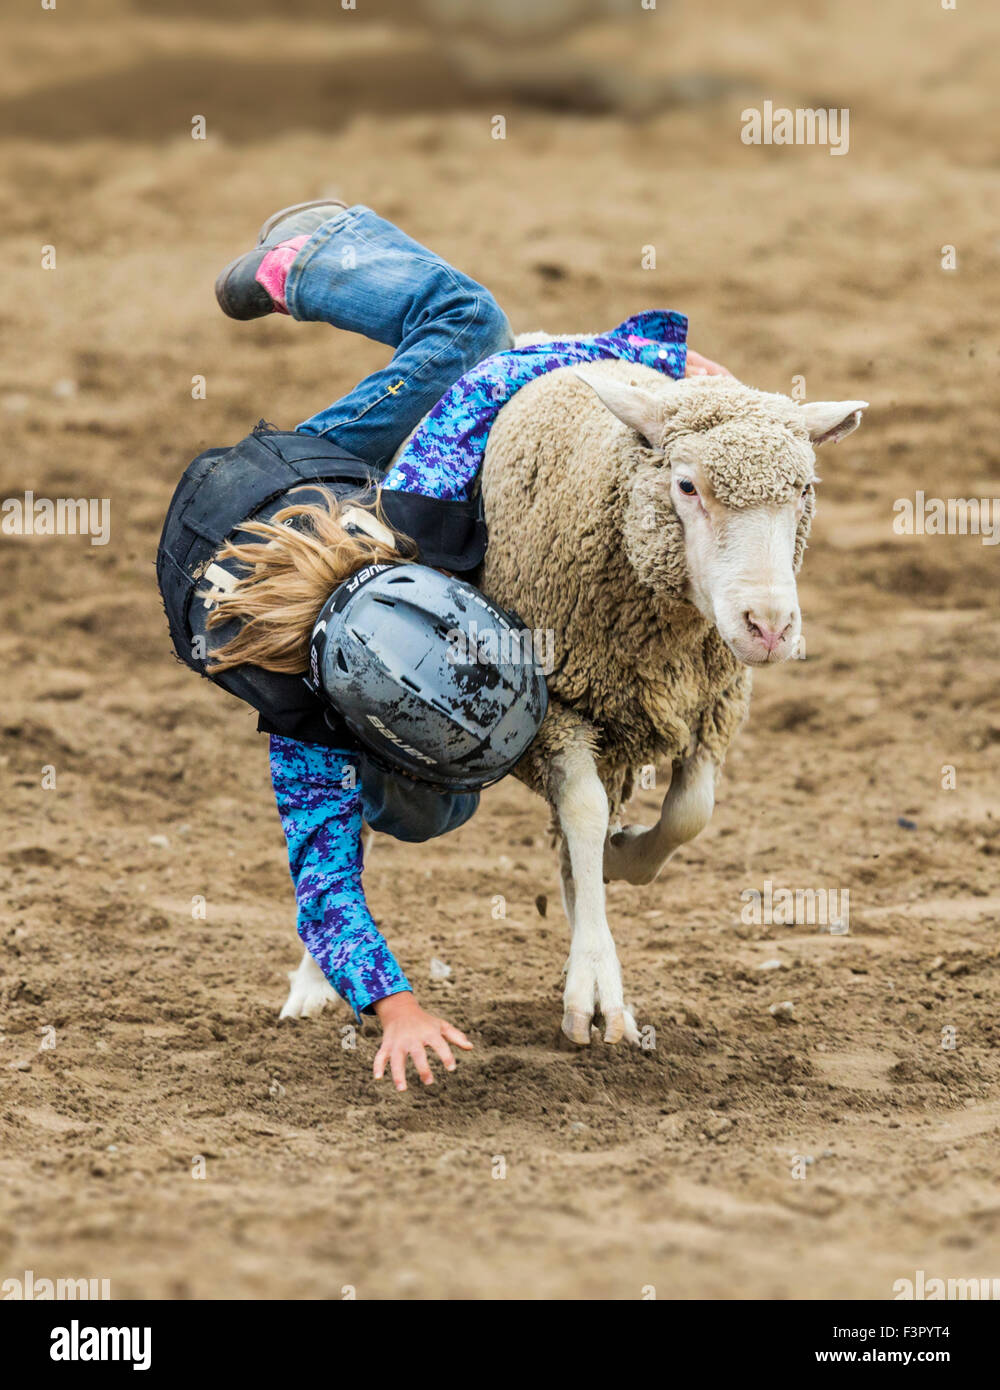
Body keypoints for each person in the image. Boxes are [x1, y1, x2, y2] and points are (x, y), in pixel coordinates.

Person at [158, 200, 730, 1094]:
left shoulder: (411, 511)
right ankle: (411, 775)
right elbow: (324, 886)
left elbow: (493, 376)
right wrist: (394, 1004)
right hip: (254, 559)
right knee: (438, 811)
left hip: (315, 470)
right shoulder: (306, 732)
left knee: (471, 323)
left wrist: (657, 364)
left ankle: (304, 264)